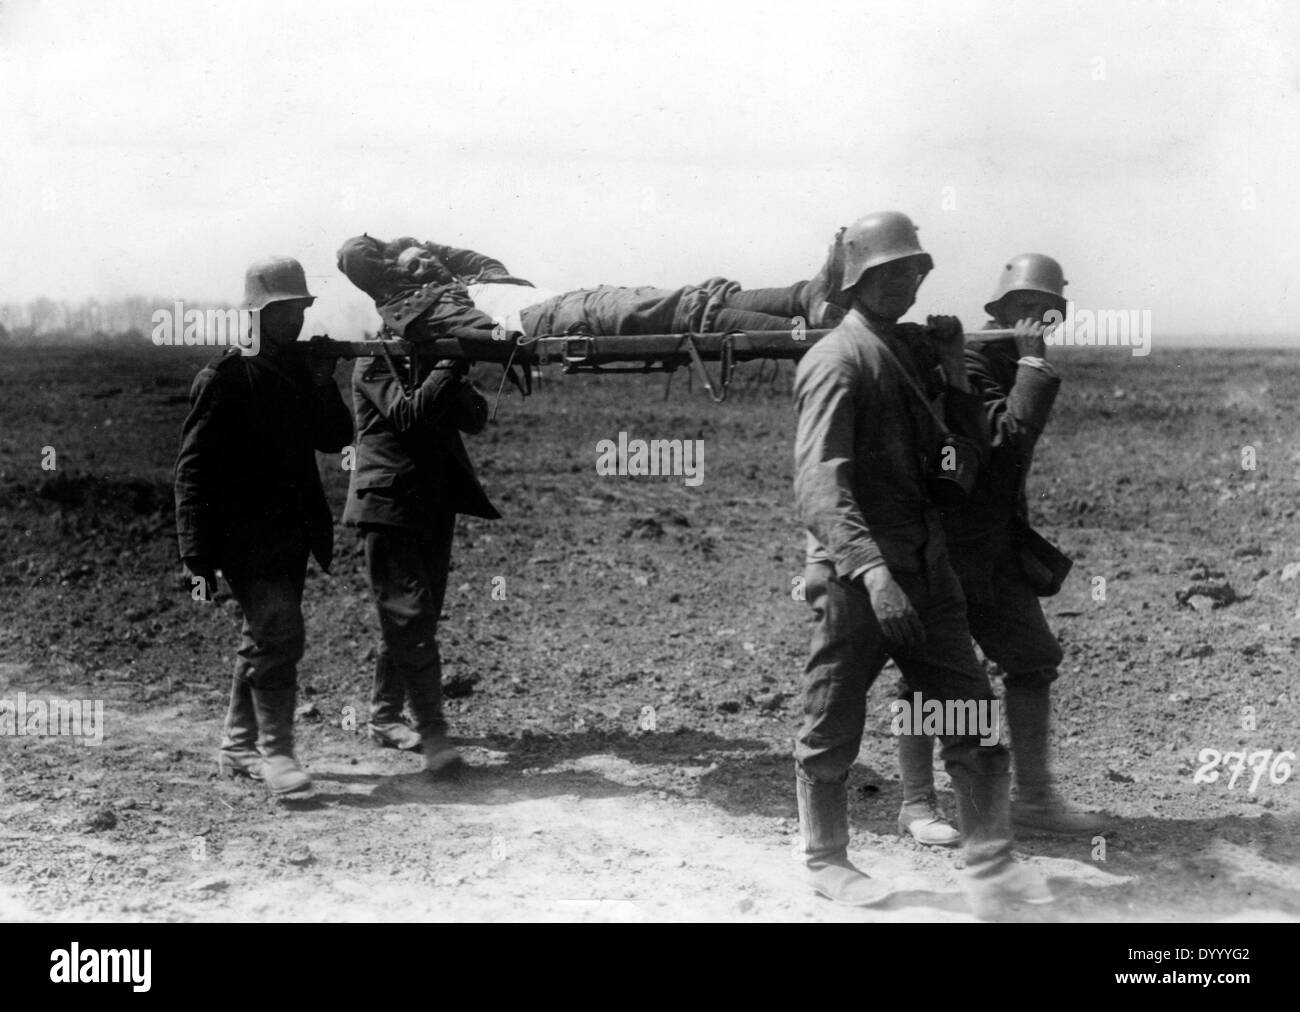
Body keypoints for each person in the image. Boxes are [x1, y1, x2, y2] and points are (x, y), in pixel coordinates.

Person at [791, 211, 1051, 917]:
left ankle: (992, 865)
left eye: (917, 270)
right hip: (858, 578)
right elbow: (821, 485)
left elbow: (960, 460)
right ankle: (825, 860)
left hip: (926, 571)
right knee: (832, 726)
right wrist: (875, 576)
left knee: (968, 713)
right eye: (896, 272)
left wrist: (949, 369)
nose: (911, 284)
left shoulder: (905, 356)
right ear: (861, 279)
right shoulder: (836, 361)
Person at [895, 254, 1106, 845]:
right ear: (1002, 311)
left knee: (1032, 659)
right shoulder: (972, 360)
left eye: (1049, 311)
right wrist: (1034, 361)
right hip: (947, 548)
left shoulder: (1007, 358)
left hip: (994, 548)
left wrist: (1030, 359)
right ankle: (916, 805)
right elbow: (1006, 440)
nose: (1040, 318)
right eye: (1027, 309)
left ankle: (1034, 799)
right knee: (927, 673)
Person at [174, 256, 353, 796]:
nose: (296, 319)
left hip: (291, 532)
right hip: (243, 535)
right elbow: (193, 469)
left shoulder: (300, 372)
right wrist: (195, 556)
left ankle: (237, 744)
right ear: (257, 314)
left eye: (300, 308)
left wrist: (324, 383)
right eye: (285, 310)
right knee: (279, 634)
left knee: (264, 637)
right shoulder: (226, 376)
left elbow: (335, 437)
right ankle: (276, 755)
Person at [341, 234, 501, 774]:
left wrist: (456, 368)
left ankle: (385, 715)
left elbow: (475, 419)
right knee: (409, 615)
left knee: (416, 615)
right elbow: (408, 415)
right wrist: (447, 368)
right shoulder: (373, 361)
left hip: (432, 505)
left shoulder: (432, 356)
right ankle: (435, 738)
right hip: (386, 506)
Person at [334, 233, 845, 348]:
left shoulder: (468, 280)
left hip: (565, 301)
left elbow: (482, 261)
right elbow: (464, 329)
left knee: (687, 299)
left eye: (429, 256)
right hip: (546, 320)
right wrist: (496, 337)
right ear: (404, 278)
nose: (429, 261)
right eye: (417, 263)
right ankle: (816, 332)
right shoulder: (420, 305)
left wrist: (426, 246)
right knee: (675, 310)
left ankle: (805, 301)